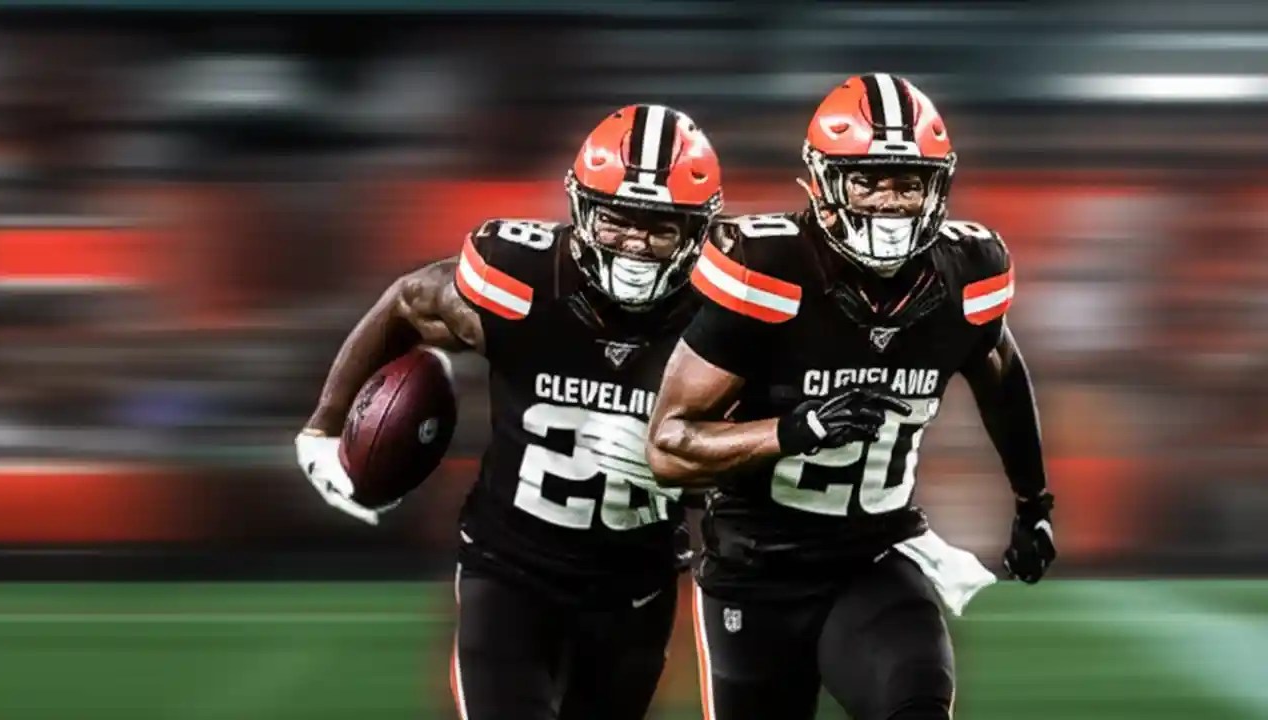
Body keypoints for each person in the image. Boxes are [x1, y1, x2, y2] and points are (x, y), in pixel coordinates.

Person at [646, 74, 1056, 720]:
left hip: (875, 555)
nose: (890, 203)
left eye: (907, 182)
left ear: (937, 186)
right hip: (757, 571)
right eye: (867, 179)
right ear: (822, 183)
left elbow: (1000, 371)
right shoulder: (767, 270)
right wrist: (792, 431)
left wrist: (1033, 500)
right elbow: (668, 446)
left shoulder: (966, 274)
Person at [295, 104, 724, 720]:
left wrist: (681, 469)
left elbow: (758, 469)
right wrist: (325, 425)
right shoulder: (523, 284)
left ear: (698, 229)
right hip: (512, 569)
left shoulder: (725, 319)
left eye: (661, 228)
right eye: (618, 222)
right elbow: (410, 301)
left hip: (636, 586)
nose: (635, 245)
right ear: (581, 210)